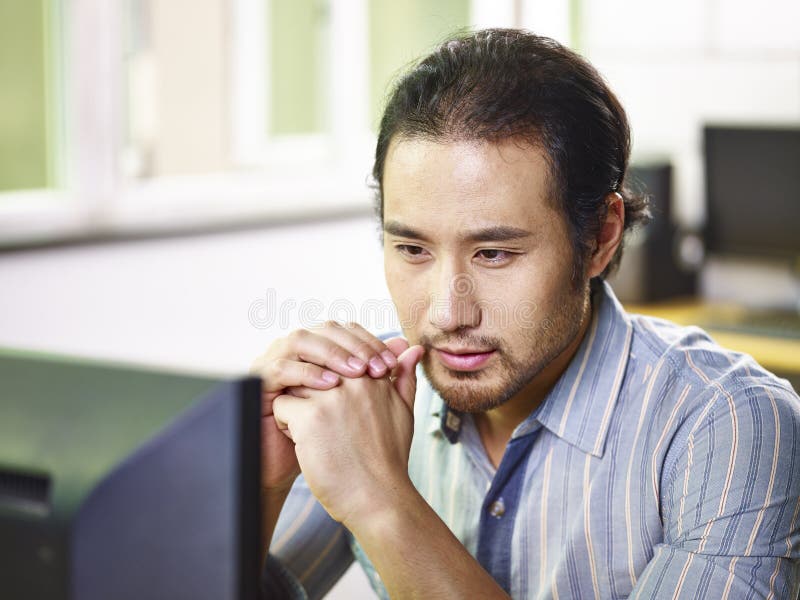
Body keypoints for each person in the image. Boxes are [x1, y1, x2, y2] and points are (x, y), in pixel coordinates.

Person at [254, 29, 800, 599]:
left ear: (599, 236)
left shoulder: (730, 426)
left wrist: (382, 503)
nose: (447, 313)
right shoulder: (363, 398)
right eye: (414, 249)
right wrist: (257, 484)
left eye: (495, 253)